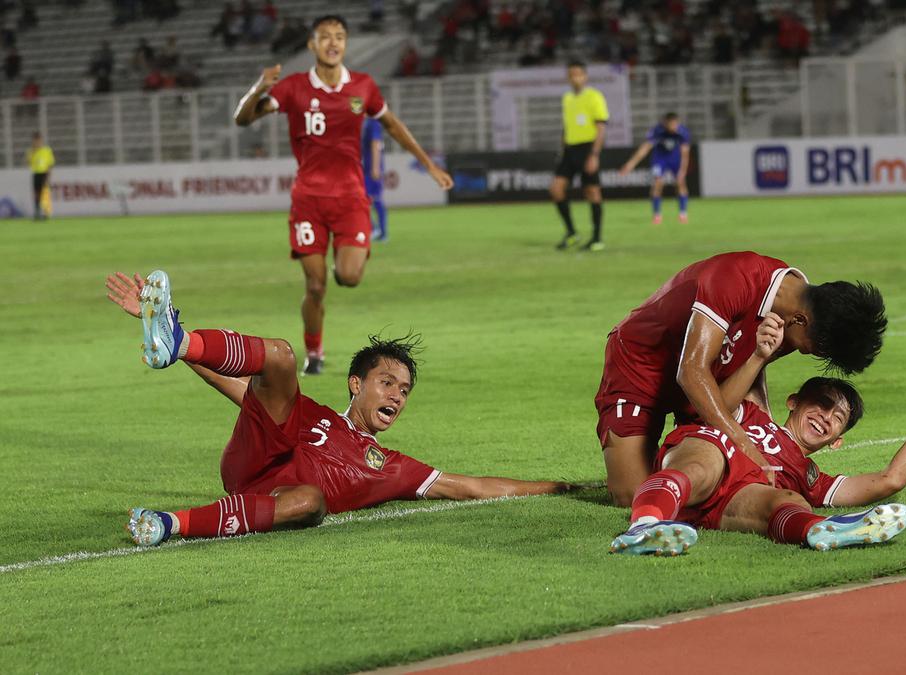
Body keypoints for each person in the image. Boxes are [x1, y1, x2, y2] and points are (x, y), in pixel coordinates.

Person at [105, 270, 569, 547]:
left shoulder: (391, 467)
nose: (396, 396)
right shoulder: (311, 413)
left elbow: (470, 486)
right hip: (253, 460)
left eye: (404, 391)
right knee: (283, 355)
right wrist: (183, 350)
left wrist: (560, 487)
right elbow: (238, 384)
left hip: (279, 498)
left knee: (311, 503)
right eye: (387, 383)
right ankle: (177, 338)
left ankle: (169, 524)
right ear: (356, 384)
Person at [610, 315, 906, 555]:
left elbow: (890, 481)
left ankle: (821, 530)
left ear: (837, 440)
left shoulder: (807, 475)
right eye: (822, 402)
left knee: (788, 498)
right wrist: (760, 351)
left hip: (733, 501)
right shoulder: (746, 411)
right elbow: (720, 398)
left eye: (837, 419)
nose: (825, 416)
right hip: (706, 455)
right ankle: (644, 528)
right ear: (794, 402)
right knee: (710, 455)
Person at [234, 15, 453, 375]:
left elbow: (393, 125)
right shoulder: (293, 87)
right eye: (325, 37)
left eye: (339, 37)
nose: (332, 43)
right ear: (312, 45)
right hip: (308, 201)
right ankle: (314, 353)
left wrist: (428, 164)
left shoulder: (363, 86)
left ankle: (346, 257)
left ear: (345, 44)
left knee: (349, 277)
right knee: (315, 286)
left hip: (351, 198)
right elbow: (242, 119)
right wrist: (259, 86)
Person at [597, 251, 887, 506]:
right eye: (816, 348)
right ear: (800, 320)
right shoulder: (737, 277)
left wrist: (770, 442)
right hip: (642, 366)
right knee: (630, 495)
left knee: (696, 475)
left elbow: (751, 366)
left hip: (708, 375)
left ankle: (663, 472)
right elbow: (691, 371)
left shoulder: (794, 318)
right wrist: (743, 443)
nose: (805, 352)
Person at [550, 60, 608, 252]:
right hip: (569, 149)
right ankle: (572, 233)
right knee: (556, 189)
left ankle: (597, 238)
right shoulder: (567, 98)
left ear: (585, 76)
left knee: (592, 192)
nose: (575, 77)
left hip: (587, 148)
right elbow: (566, 126)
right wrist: (562, 149)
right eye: (571, 74)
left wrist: (594, 154)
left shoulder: (594, 96)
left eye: (578, 74)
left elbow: (601, 127)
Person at [618, 112, 691, 225]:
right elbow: (645, 149)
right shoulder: (657, 131)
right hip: (660, 159)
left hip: (675, 158)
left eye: (675, 124)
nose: (673, 127)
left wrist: (683, 170)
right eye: (671, 124)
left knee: (681, 183)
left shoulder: (683, 132)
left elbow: (685, 153)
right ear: (665, 123)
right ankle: (657, 215)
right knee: (657, 183)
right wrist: (630, 164)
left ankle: (683, 213)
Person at [361, 116, 387, 242]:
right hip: (366, 168)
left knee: (375, 200)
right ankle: (376, 230)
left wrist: (375, 167)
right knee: (362, 200)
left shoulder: (373, 123)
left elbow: (376, 144)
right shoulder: (367, 122)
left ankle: (381, 232)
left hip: (372, 170)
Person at [26, 132, 53, 220]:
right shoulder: (31, 151)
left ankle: (46, 213)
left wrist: (48, 176)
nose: (37, 142)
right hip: (36, 173)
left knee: (45, 194)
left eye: (38, 140)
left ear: (41, 140)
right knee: (36, 194)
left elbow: (50, 164)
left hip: (44, 173)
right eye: (35, 140)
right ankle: (37, 212)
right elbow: (29, 163)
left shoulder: (47, 150)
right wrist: (33, 152)